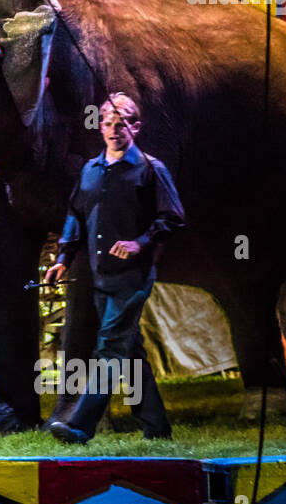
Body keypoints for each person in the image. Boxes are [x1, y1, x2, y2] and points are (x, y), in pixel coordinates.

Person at [42, 92, 185, 444]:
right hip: (99, 274)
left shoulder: (151, 169)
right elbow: (76, 217)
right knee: (128, 351)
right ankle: (157, 427)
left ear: (136, 126)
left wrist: (141, 241)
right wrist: (62, 259)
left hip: (133, 278)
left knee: (108, 348)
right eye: (107, 123)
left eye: (121, 124)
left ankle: (80, 426)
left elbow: (173, 217)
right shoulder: (90, 170)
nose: (113, 130)